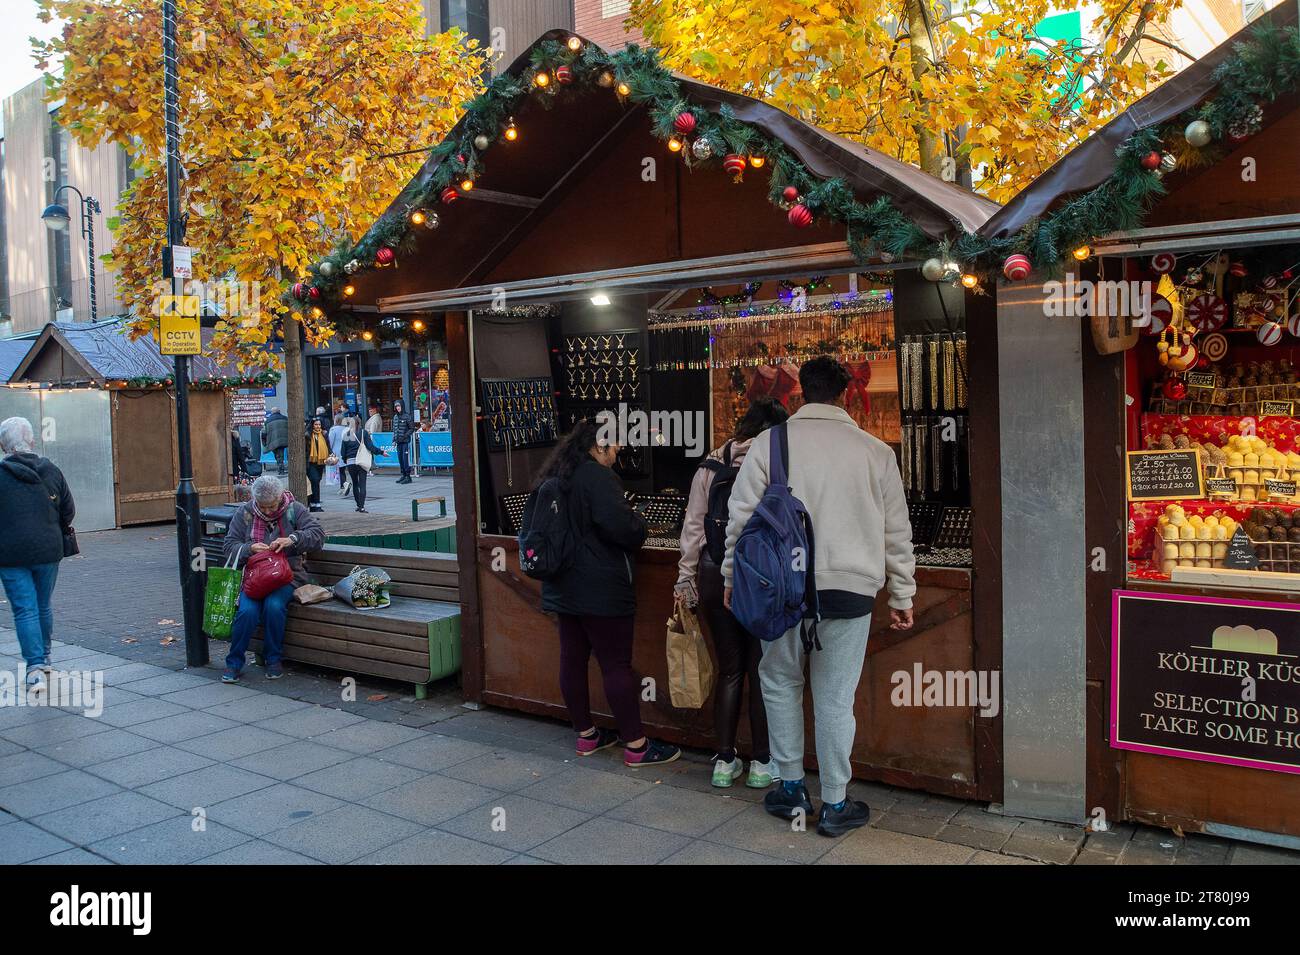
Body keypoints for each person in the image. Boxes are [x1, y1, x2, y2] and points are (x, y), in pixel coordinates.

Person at [722, 356, 916, 838]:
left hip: (783, 590)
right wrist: (902, 592)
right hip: (851, 591)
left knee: (780, 682)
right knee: (834, 699)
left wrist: (731, 577)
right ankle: (834, 803)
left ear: (799, 392)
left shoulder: (770, 443)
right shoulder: (876, 452)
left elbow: (741, 519)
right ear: (847, 392)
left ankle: (790, 788)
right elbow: (897, 531)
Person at [538, 417, 680, 768]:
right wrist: (640, 522)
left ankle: (586, 736)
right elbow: (625, 530)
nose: (617, 453)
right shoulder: (598, 478)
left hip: (564, 587)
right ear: (598, 444)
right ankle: (636, 745)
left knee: (572, 658)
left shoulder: (558, 474)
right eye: (615, 446)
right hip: (600, 590)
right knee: (615, 664)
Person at [676, 398, 788, 789]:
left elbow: (693, 528)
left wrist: (685, 579)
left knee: (729, 669)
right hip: (760, 580)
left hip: (710, 574)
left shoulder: (710, 465)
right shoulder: (774, 463)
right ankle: (761, 763)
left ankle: (723, 761)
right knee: (761, 670)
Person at [220, 474, 325, 682]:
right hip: (254, 578)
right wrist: (249, 548)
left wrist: (292, 540)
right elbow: (229, 546)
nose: (267, 511)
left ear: (279, 498)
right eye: (263, 506)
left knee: (274, 606)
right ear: (254, 499)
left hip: (287, 576)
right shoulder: (245, 513)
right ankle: (234, 662)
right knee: (247, 612)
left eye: (272, 506)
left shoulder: (295, 510)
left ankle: (273, 659)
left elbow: (318, 535)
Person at [0, 417, 75, 694]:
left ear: (2, 446)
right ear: (32, 441)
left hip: (10, 554)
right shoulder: (51, 470)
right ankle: (45, 658)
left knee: (24, 608)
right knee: (43, 605)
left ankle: (34, 667)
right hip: (48, 549)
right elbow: (68, 509)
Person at [341, 415, 385, 513]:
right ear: (359, 423)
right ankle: (362, 506)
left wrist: (345, 460)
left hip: (350, 462)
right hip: (361, 461)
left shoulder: (346, 435)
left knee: (355, 483)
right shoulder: (363, 433)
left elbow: (342, 452)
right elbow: (370, 447)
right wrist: (381, 452)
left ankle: (358, 505)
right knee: (362, 484)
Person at [304, 418, 331, 512]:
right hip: (310, 462)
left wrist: (330, 455)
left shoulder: (324, 434)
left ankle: (313, 504)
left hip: (320, 462)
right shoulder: (307, 435)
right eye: (316, 425)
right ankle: (316, 504)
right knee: (314, 481)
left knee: (316, 482)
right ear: (312, 425)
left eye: (319, 425)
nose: (318, 426)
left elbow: (328, 447)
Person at [391, 399, 414, 484]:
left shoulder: (407, 416)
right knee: (400, 459)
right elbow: (394, 430)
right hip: (398, 442)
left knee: (405, 459)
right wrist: (394, 440)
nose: (398, 408)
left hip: (405, 442)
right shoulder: (395, 417)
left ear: (402, 406)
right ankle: (403, 475)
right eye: (396, 406)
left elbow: (412, 428)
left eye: (399, 406)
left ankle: (408, 477)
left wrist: (405, 436)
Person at [327, 417, 351, 498]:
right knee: (342, 470)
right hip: (345, 452)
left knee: (339, 470)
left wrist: (329, 452)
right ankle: (342, 486)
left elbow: (330, 442)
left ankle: (344, 484)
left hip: (336, 452)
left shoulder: (333, 429)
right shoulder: (347, 429)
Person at [261, 408, 289, 475]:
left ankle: (281, 469)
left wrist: (264, 442)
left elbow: (263, 433)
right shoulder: (285, 418)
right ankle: (281, 468)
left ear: (272, 412)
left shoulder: (267, 421)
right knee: (280, 454)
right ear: (279, 412)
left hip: (273, 442)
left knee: (278, 455)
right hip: (284, 440)